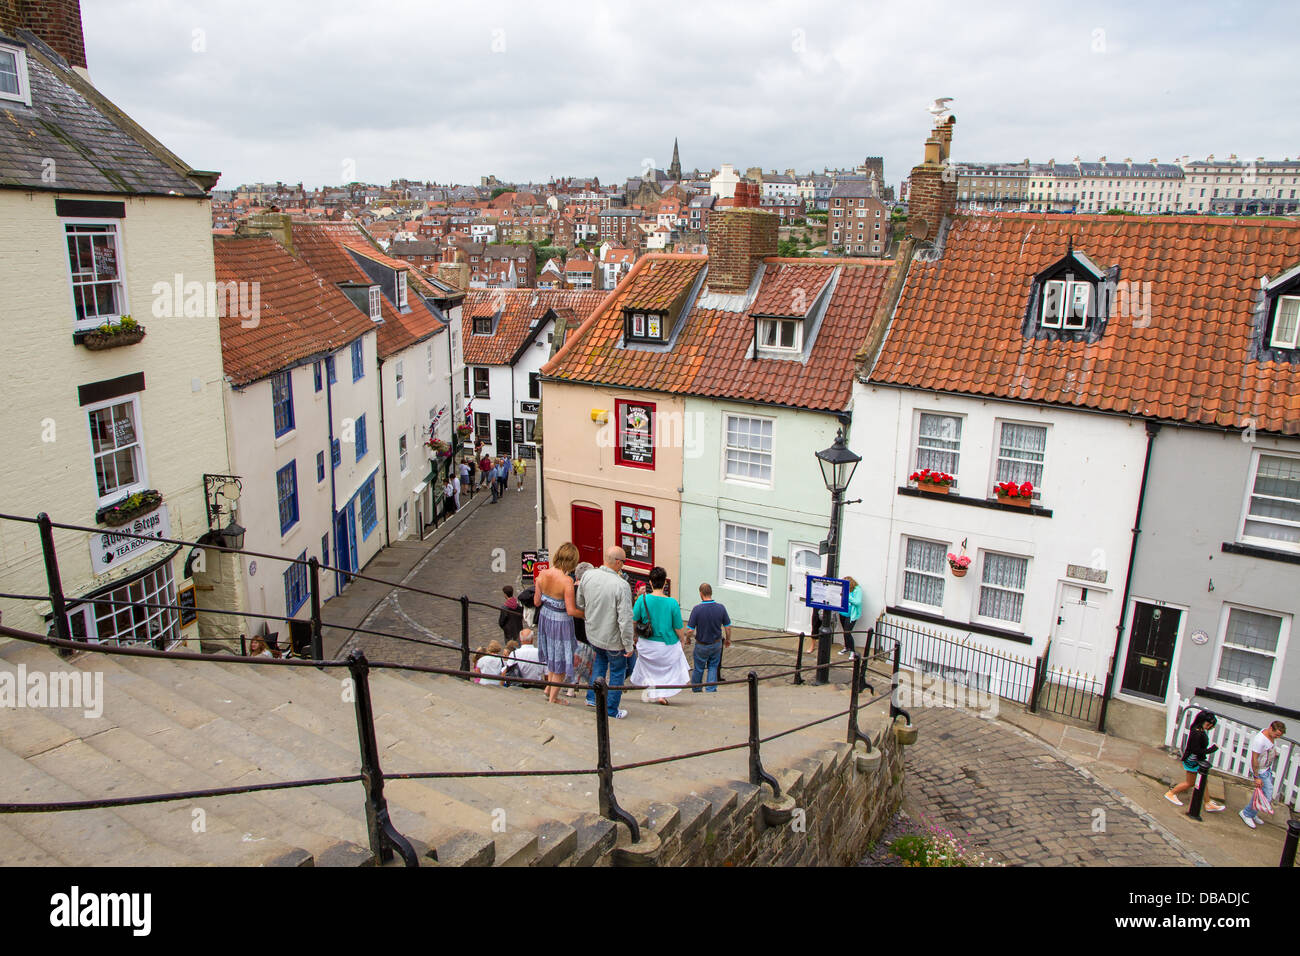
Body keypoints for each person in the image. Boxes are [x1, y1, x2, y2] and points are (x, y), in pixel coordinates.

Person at [576, 546, 635, 719]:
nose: (623, 565)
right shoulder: (621, 585)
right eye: (623, 562)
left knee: (600, 663)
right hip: (613, 640)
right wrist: (628, 644)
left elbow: (580, 602)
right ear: (617, 562)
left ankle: (592, 698)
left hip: (594, 634)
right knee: (617, 671)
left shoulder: (588, 575)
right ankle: (610, 710)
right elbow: (625, 619)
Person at [631, 566, 692, 704]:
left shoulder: (642, 600)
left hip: (647, 644)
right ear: (665, 583)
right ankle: (662, 694)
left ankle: (653, 692)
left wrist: (635, 637)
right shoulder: (672, 603)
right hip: (667, 645)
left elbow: (634, 621)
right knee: (668, 669)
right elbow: (678, 627)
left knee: (650, 670)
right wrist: (682, 640)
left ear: (650, 583)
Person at [533, 542, 583, 704]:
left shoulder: (542, 574)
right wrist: (587, 615)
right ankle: (553, 698)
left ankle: (549, 688)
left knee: (553, 656)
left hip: (545, 618)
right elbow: (571, 610)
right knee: (561, 659)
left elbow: (536, 602)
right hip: (561, 622)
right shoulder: (567, 581)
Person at [1164, 710, 1225, 811]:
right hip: (1192, 761)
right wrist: (1211, 750)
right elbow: (1196, 750)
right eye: (1208, 724)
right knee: (1190, 783)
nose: (1210, 727)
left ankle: (1208, 803)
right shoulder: (1197, 733)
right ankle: (1171, 793)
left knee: (1203, 781)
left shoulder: (1199, 729)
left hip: (1195, 760)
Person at [1240, 720, 1287, 829]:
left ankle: (1252, 813)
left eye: (1279, 735)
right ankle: (1247, 813)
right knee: (1267, 794)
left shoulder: (1270, 736)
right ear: (1271, 728)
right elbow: (1254, 759)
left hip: (1266, 769)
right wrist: (1256, 777)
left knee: (1260, 794)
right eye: (1277, 734)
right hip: (1260, 771)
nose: (1277, 737)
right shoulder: (1260, 740)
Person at [686, 583, 731, 693]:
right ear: (711, 593)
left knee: (699, 667)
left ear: (701, 593)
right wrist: (728, 639)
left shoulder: (697, 609)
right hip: (716, 644)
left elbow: (690, 630)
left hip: (702, 644)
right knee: (713, 666)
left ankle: (697, 689)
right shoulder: (721, 608)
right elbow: (727, 627)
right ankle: (711, 689)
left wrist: (688, 638)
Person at [838, 576, 864, 656]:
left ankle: (852, 651)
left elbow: (857, 602)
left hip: (851, 615)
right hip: (842, 613)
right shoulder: (845, 589)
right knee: (845, 632)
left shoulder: (857, 590)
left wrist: (847, 596)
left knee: (847, 632)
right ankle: (846, 647)